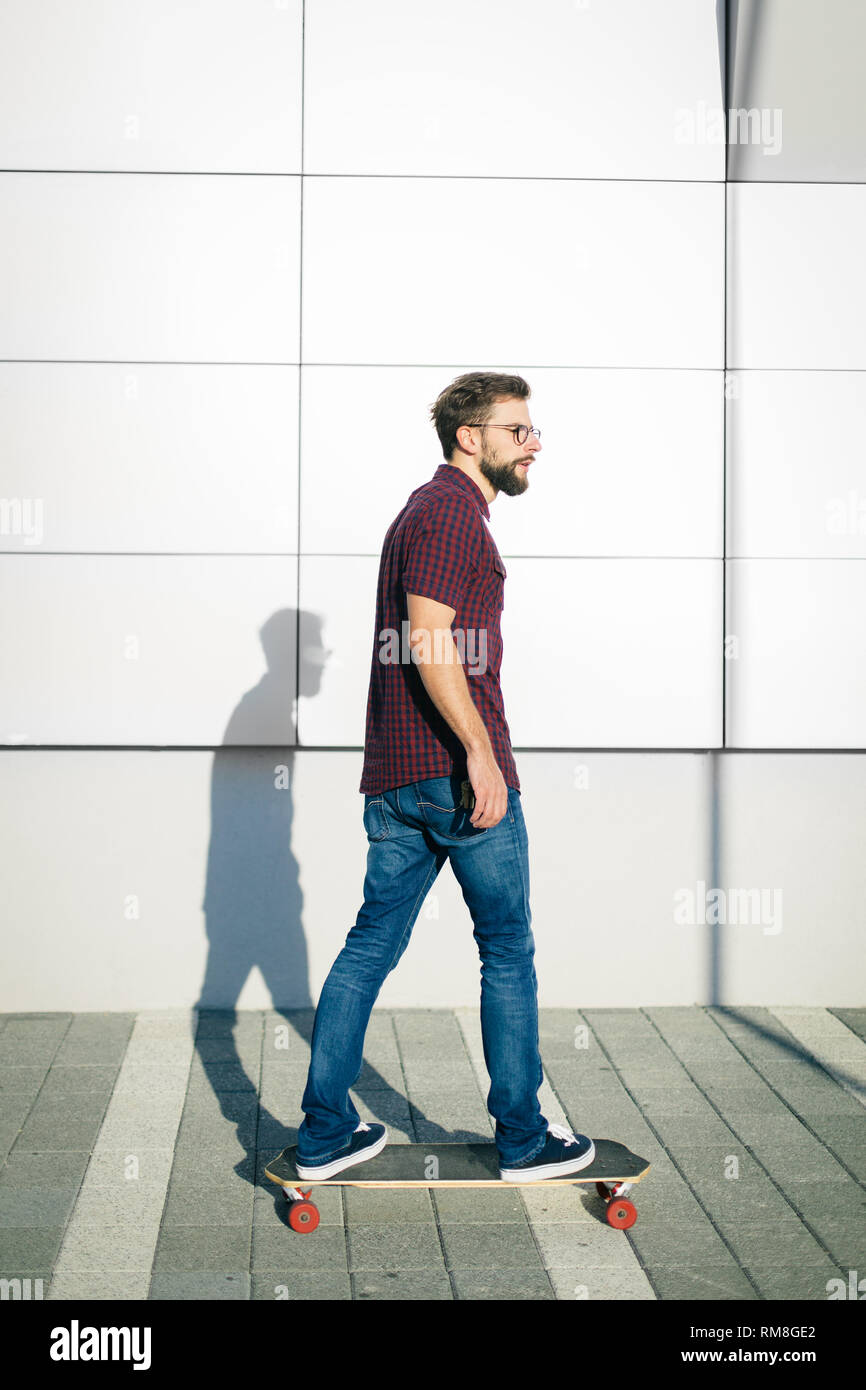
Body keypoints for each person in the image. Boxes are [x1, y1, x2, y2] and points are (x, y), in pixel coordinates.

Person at [288, 372, 595, 1183]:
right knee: (506, 949)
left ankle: (324, 1134)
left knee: (368, 949)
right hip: (454, 780)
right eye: (519, 429)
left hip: (396, 778)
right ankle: (524, 1139)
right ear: (472, 436)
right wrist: (480, 753)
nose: (535, 442)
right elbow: (430, 641)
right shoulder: (453, 513)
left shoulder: (423, 512)